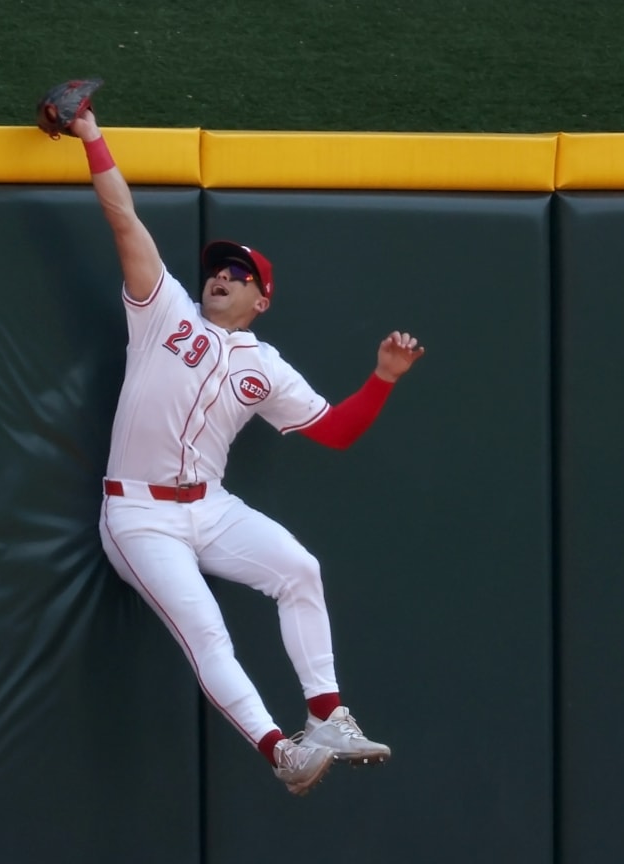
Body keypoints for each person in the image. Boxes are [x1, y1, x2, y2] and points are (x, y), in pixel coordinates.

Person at [65, 105, 425, 796]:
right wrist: (91, 135)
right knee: (208, 632)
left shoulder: (266, 366)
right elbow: (124, 221)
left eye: (238, 273)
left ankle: (326, 717)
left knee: (300, 568)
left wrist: (381, 379)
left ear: (262, 298)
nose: (221, 276)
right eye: (217, 269)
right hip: (138, 517)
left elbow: (336, 431)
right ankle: (280, 753)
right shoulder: (162, 311)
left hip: (211, 508)